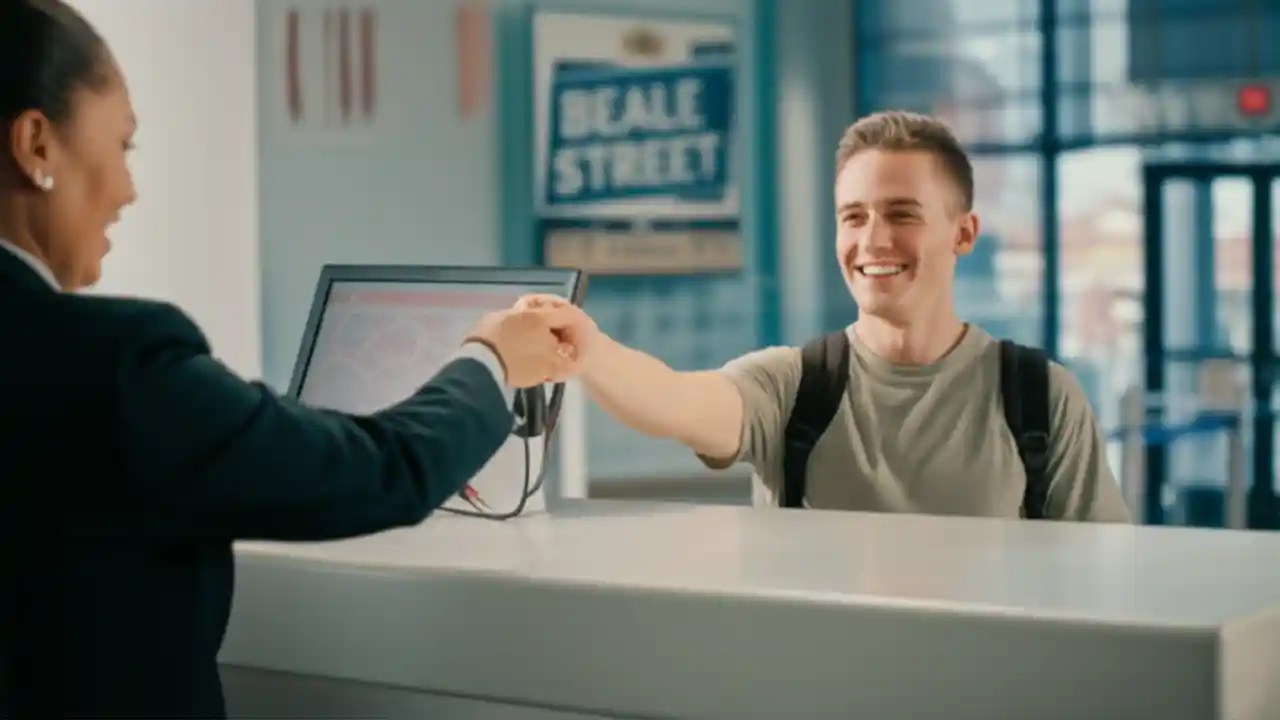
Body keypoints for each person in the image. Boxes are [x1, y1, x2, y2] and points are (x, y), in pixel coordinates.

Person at [0, 1, 581, 716]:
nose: (128, 190)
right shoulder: (117, 364)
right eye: (124, 147)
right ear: (35, 144)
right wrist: (490, 360)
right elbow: (379, 471)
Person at [520, 110, 1132, 523]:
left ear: (964, 233)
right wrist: (589, 349)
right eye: (854, 216)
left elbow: (1104, 583)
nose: (872, 241)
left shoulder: (1039, 399)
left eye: (902, 214)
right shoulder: (795, 385)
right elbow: (676, 400)